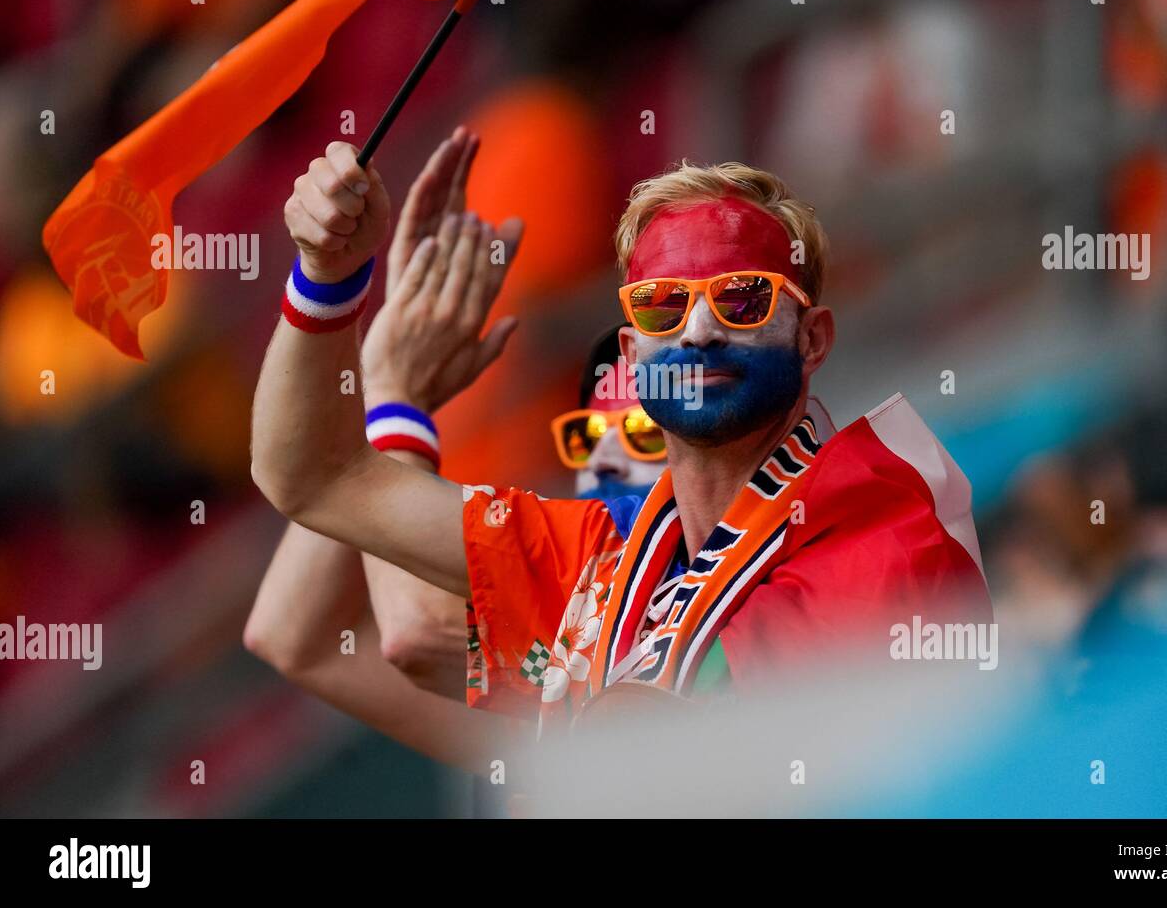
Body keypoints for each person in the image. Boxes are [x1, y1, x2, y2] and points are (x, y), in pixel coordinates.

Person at [250, 126, 991, 738]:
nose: (698, 330)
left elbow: (415, 636)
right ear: (633, 357)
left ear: (813, 339)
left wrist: (392, 389)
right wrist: (328, 277)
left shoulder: (881, 542)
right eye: (663, 306)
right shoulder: (603, 573)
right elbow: (315, 477)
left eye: (743, 300)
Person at [244, 130, 671, 771]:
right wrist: (379, 370)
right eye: (588, 439)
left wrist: (395, 390)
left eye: (642, 434)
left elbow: (414, 632)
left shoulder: (680, 609)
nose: (607, 463)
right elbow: (290, 635)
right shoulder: (556, 674)